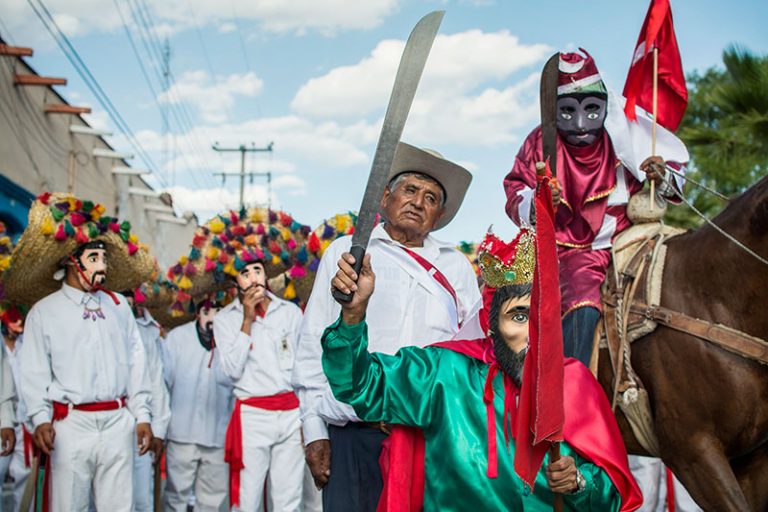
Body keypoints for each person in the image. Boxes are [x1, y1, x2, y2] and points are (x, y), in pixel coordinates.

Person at [322, 228, 643, 511]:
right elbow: (360, 384)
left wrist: (578, 483)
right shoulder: (443, 373)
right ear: (491, 324)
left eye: (540, 317)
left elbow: (611, 499)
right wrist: (353, 316)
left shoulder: (573, 383)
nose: (533, 333)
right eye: (519, 316)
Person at [292, 142, 481, 511]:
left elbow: (470, 361)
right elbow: (312, 345)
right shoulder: (348, 252)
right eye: (409, 189)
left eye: (430, 197)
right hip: (353, 433)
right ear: (384, 197)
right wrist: (314, 431)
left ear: (439, 215)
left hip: (426, 440)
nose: (418, 202)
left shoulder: (456, 268)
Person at [503, 49, 688, 366]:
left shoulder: (625, 135)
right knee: (582, 298)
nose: (578, 123)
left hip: (631, 238)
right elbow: (516, 187)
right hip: (574, 250)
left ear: (605, 106)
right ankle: (570, 385)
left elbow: (672, 179)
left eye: (590, 110)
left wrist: (660, 172)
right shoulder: (539, 140)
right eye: (567, 112)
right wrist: (541, 200)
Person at [4, 192, 155, 511]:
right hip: (71, 425)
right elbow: (33, 372)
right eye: (94, 258)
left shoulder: (118, 307)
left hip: (117, 422)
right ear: (72, 262)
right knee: (68, 505)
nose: (102, 265)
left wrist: (141, 414)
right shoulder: (45, 312)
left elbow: (136, 361)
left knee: (119, 506)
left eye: (103, 257)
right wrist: (40, 418)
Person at [214, 258, 304, 512]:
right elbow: (231, 370)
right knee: (248, 497)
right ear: (235, 283)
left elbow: (304, 367)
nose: (253, 278)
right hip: (253, 416)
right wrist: (247, 319)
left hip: (290, 414)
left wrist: (307, 418)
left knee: (289, 498)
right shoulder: (224, 319)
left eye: (258, 270)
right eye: (245, 273)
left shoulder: (290, 312)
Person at [162, 294, 233, 512]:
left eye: (219, 312)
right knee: (176, 497)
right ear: (197, 313)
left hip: (218, 435)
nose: (213, 317)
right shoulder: (177, 338)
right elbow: (164, 384)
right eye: (208, 311)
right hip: (181, 434)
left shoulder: (232, 342)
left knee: (212, 501)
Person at [123, 291, 171, 511]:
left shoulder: (146, 331)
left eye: (130, 304)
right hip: (103, 423)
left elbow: (156, 382)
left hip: (140, 429)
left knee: (142, 500)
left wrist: (159, 429)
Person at [0, 306, 24, 510]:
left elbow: (5, 382)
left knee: (22, 480)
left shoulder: (27, 345)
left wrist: (7, 420)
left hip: (21, 421)